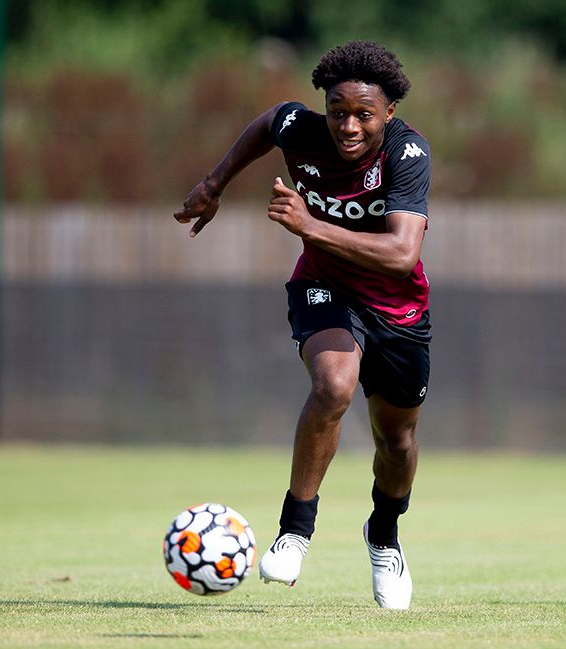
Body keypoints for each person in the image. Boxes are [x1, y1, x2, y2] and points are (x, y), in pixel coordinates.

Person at [174, 40, 431, 610]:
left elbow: (400, 254)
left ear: (389, 113)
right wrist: (215, 184)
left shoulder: (407, 156)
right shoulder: (302, 126)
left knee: (398, 439)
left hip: (398, 309)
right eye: (338, 111)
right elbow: (270, 121)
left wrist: (310, 226)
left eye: (364, 114)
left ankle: (384, 535)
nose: (349, 125)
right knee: (333, 384)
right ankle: (295, 528)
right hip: (326, 288)